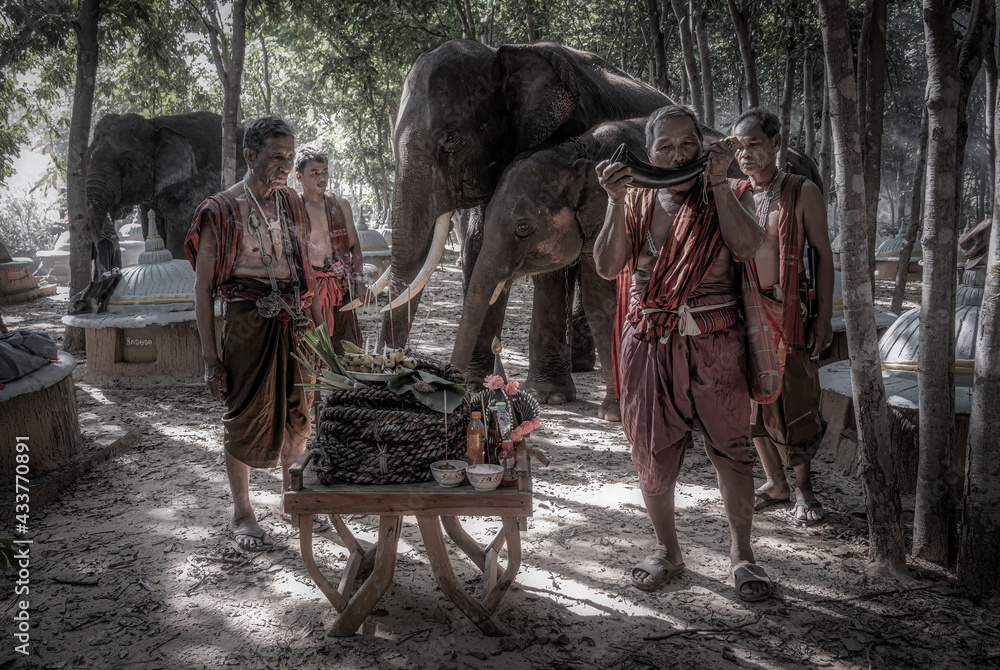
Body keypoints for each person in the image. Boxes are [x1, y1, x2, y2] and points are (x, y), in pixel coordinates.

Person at [594, 104, 773, 601]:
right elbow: (609, 267)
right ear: (647, 152)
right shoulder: (633, 202)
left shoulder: (731, 192)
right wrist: (612, 200)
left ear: (703, 145)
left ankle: (742, 555)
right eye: (665, 147)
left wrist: (717, 183)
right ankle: (667, 550)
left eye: (687, 144)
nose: (677, 155)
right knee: (651, 449)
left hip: (717, 343)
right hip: (649, 344)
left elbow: (747, 246)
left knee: (732, 450)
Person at [185, 116, 327, 551]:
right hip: (247, 323)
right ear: (250, 156)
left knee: (299, 410)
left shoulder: (290, 204)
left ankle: (293, 495)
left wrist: (319, 336)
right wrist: (211, 360)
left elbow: (305, 271)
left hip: (295, 321)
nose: (286, 165)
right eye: (277, 156)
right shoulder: (221, 210)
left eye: (290, 156)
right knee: (243, 414)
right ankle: (242, 513)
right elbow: (203, 291)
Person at [732, 108, 833, 526]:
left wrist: (823, 318)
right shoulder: (734, 194)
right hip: (741, 313)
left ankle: (804, 490)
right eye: (738, 147)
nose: (745, 154)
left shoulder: (801, 191)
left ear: (776, 143)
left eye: (753, 143)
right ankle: (775, 482)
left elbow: (824, 258)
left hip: (788, 310)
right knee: (750, 405)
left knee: (795, 401)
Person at [294, 146, 364, 350]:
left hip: (339, 288)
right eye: (314, 173)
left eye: (324, 172)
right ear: (299, 176)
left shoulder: (340, 205)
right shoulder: (293, 208)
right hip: (308, 292)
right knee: (312, 348)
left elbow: (354, 247)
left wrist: (359, 282)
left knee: (347, 347)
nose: (321, 177)